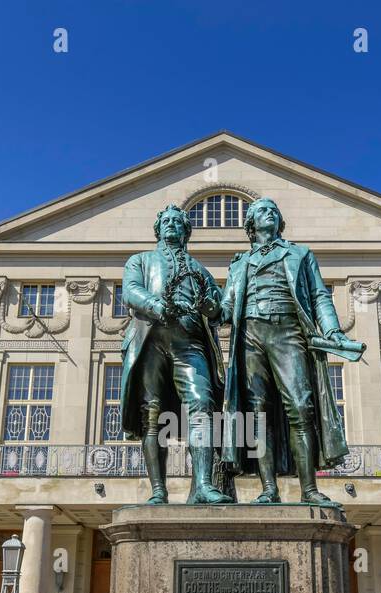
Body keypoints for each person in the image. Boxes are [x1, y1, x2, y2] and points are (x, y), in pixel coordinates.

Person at [220, 197, 360, 503]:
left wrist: (333, 330)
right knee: (257, 414)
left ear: (279, 220)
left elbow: (319, 295)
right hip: (250, 335)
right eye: (260, 212)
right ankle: (268, 489)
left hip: (288, 331)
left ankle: (309, 489)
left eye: (273, 210)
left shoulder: (300, 253)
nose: (268, 213)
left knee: (300, 406)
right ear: (251, 224)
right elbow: (227, 307)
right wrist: (209, 308)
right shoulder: (240, 263)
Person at [119, 204, 233, 505]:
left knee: (202, 404)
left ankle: (204, 486)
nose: (171, 225)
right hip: (150, 340)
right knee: (152, 415)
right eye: (166, 221)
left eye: (177, 222)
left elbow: (222, 310)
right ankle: (158, 490)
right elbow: (130, 291)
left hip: (189, 343)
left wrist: (213, 308)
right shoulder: (140, 260)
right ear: (158, 230)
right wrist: (157, 306)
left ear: (186, 232)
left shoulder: (200, 270)